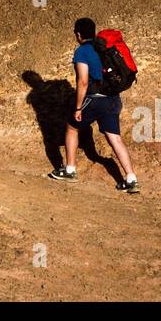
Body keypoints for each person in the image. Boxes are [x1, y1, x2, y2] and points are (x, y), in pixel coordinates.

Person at [48, 17, 139, 192]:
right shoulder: (102, 48)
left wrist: (77, 107)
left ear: (78, 34)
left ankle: (70, 170)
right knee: (115, 138)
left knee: (72, 128)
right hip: (112, 98)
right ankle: (131, 179)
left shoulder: (82, 51)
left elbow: (82, 81)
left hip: (93, 99)